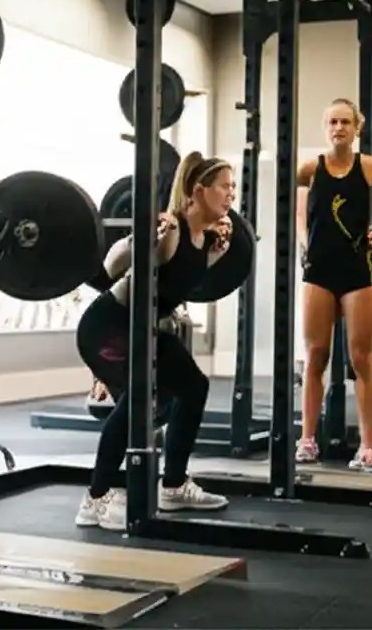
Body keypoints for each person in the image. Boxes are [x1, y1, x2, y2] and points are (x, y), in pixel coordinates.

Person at [74, 151, 236, 531]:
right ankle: (94, 499)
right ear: (200, 191)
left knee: (194, 387)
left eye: (234, 188)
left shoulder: (203, 239)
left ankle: (174, 484)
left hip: (144, 328)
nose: (232, 195)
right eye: (225, 187)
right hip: (108, 327)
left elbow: (181, 281)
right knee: (137, 402)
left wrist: (216, 253)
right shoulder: (173, 228)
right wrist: (140, 241)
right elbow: (112, 264)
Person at [294, 99, 372, 471]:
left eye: (345, 122)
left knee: (361, 358)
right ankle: (308, 438)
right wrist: (304, 245)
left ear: (358, 127)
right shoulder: (310, 168)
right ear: (325, 127)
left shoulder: (370, 167)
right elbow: (300, 214)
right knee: (315, 357)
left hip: (360, 270)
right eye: (332, 122)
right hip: (320, 271)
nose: (338, 127)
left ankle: (368, 446)